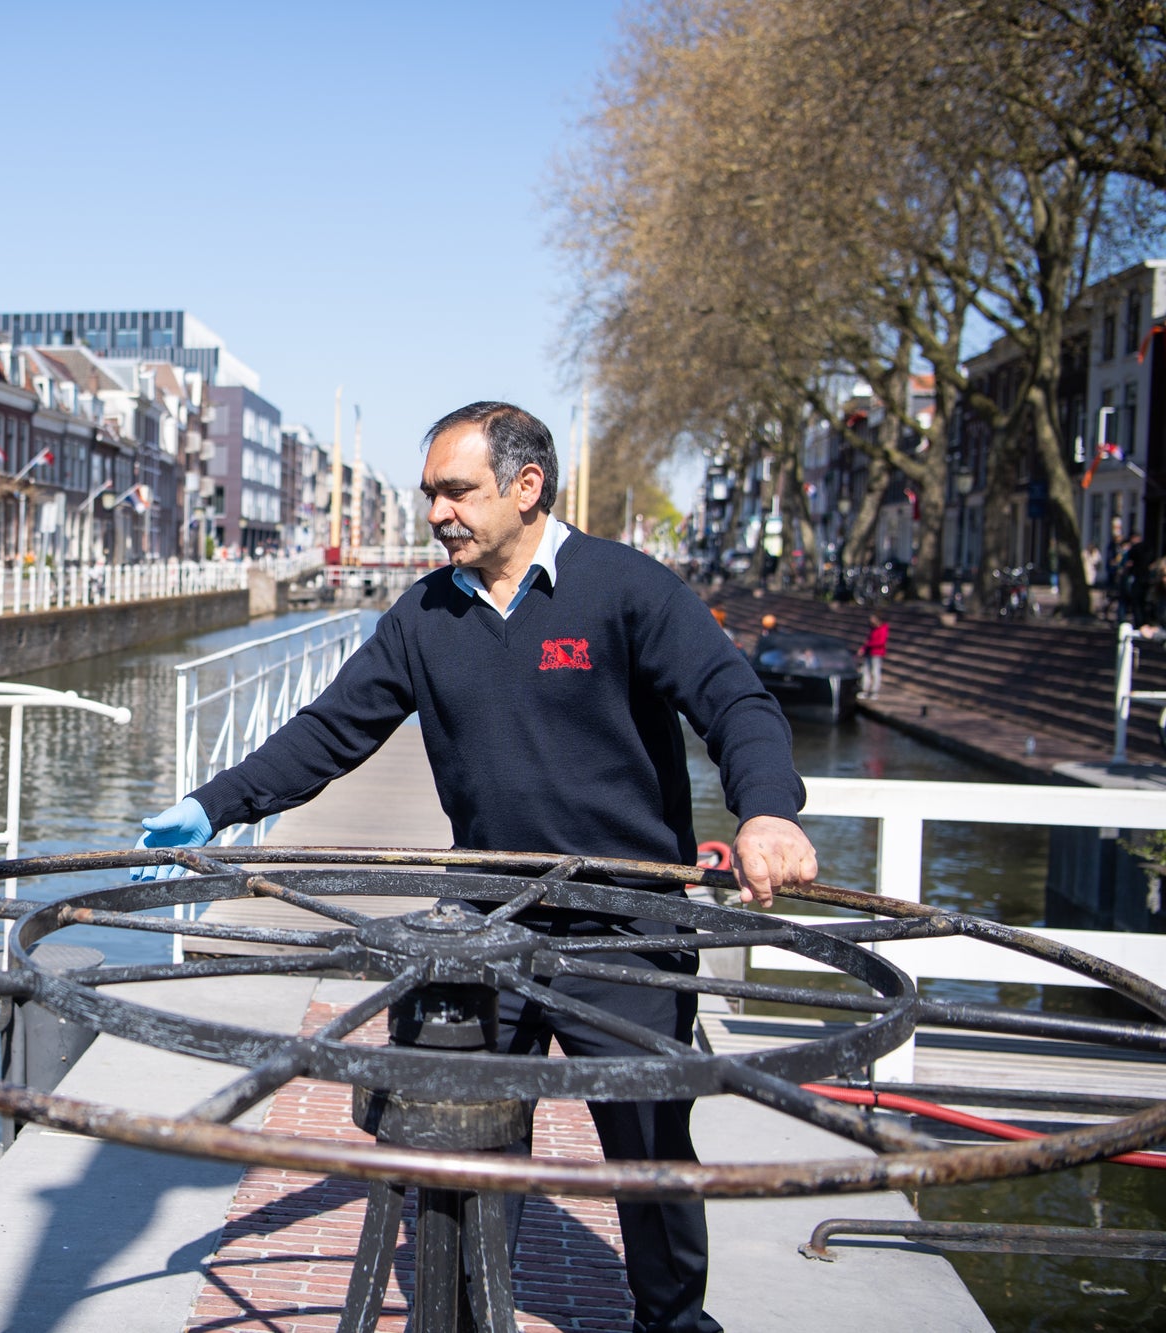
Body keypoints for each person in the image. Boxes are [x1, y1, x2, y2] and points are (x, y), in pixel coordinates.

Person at [136, 401, 817, 1333]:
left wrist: (769, 810)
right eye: (429, 494)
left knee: (652, 1145)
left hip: (627, 925)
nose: (437, 512)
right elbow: (329, 732)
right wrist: (214, 805)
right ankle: (461, 1312)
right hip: (487, 922)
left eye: (456, 490)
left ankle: (672, 1319)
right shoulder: (426, 616)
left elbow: (735, 701)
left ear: (525, 486)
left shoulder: (625, 590)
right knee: (457, 1139)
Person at [858, 611, 888, 698]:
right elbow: (868, 640)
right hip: (869, 653)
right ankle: (865, 690)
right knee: (865, 671)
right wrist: (863, 648)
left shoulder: (883, 628)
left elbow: (881, 641)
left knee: (875, 672)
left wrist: (869, 645)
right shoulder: (872, 628)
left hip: (877, 654)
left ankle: (874, 692)